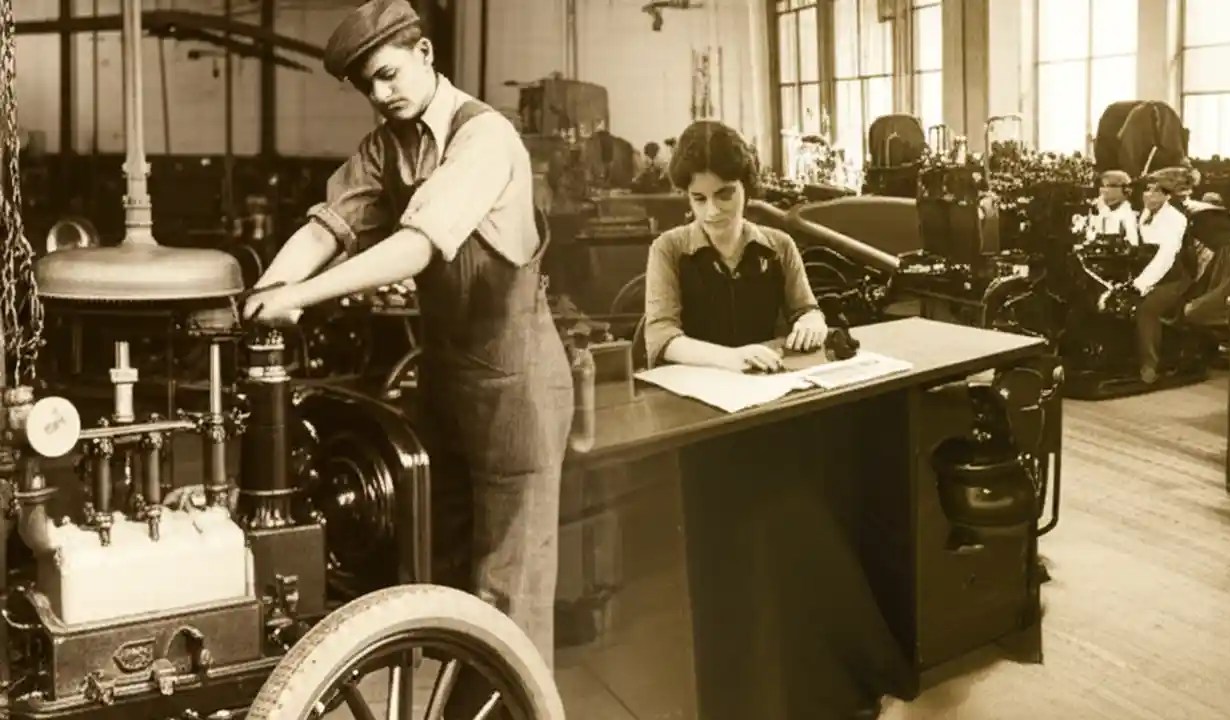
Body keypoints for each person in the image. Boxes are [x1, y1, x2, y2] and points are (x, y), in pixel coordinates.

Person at [241, 0, 571, 713]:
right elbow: (329, 225)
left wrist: (307, 295)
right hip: (445, 377)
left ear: (425, 53)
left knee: (509, 580)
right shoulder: (388, 145)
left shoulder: (485, 135)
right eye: (367, 85)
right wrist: (265, 291)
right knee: (446, 571)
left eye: (389, 73)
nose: (381, 93)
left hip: (516, 380)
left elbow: (419, 243)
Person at [643, 120, 828, 371]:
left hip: (765, 384)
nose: (712, 211)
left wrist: (812, 320)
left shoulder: (780, 246)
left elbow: (806, 309)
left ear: (746, 188)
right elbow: (660, 337)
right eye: (698, 198)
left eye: (724, 194)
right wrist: (729, 358)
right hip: (694, 392)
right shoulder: (667, 249)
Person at [1098, 168, 1193, 384]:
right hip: (1146, 275)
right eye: (1147, 191)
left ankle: (1149, 366)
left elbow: (1165, 257)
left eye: (1155, 192)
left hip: (1172, 279)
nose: (1148, 195)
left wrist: (1141, 285)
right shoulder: (1144, 214)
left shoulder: (1175, 219)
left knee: (1146, 310)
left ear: (1167, 195)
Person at [1085, 169, 1139, 245]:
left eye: (1107, 186)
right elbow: (1090, 233)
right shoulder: (1098, 208)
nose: (1102, 190)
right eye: (1102, 186)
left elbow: (1133, 242)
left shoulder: (1128, 213)